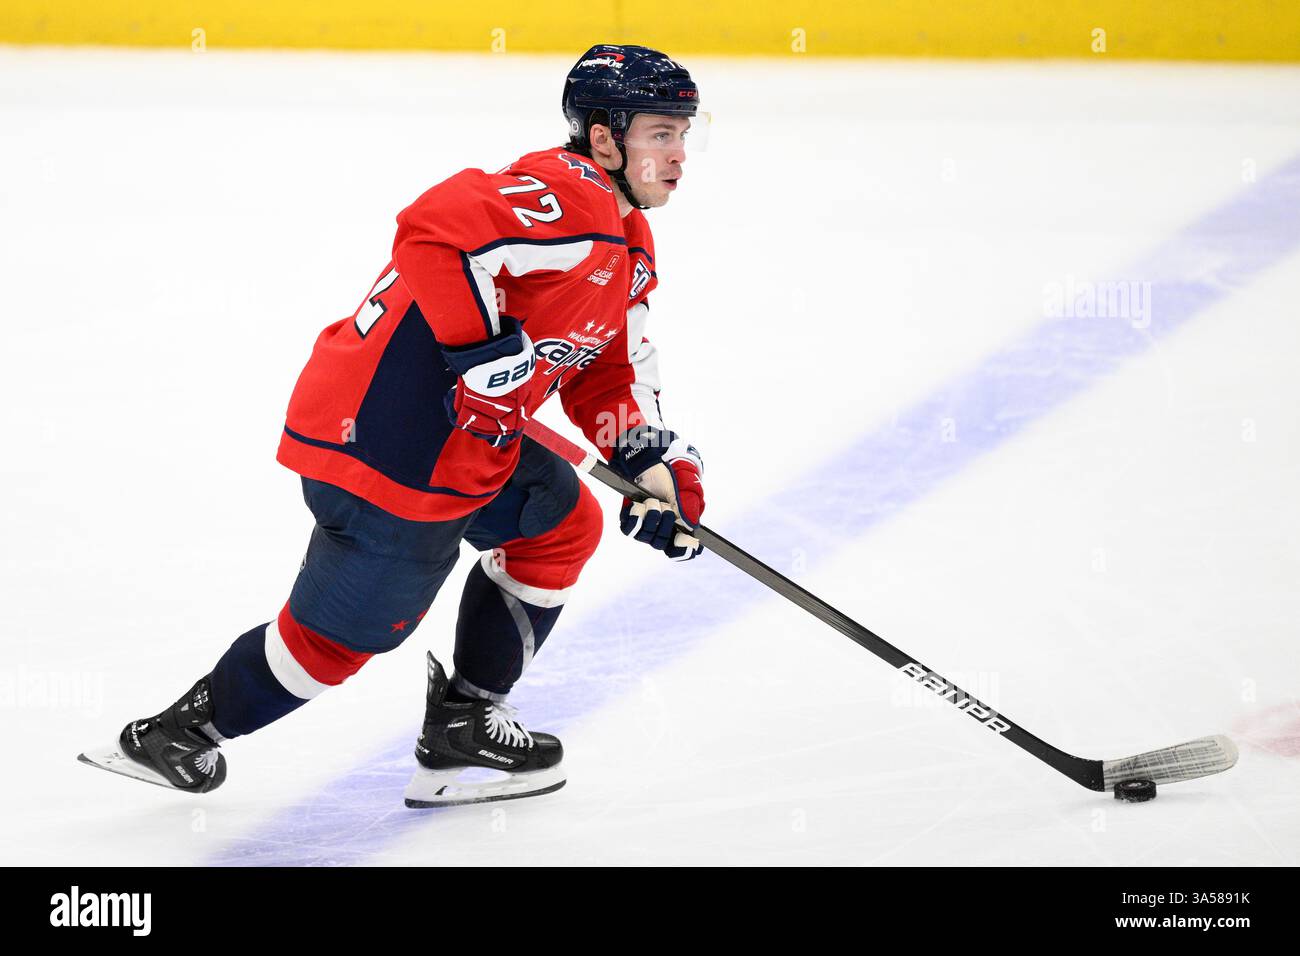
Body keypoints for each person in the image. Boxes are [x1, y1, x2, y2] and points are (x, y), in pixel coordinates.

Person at [79, 44, 709, 807]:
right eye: (659, 133)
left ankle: (464, 725)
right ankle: (175, 736)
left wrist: (648, 466)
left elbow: (608, 369)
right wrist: (484, 354)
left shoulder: (629, 243)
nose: (678, 154)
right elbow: (434, 229)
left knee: (559, 524)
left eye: (683, 132)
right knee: (339, 643)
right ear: (604, 139)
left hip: (469, 446)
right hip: (388, 443)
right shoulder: (565, 192)